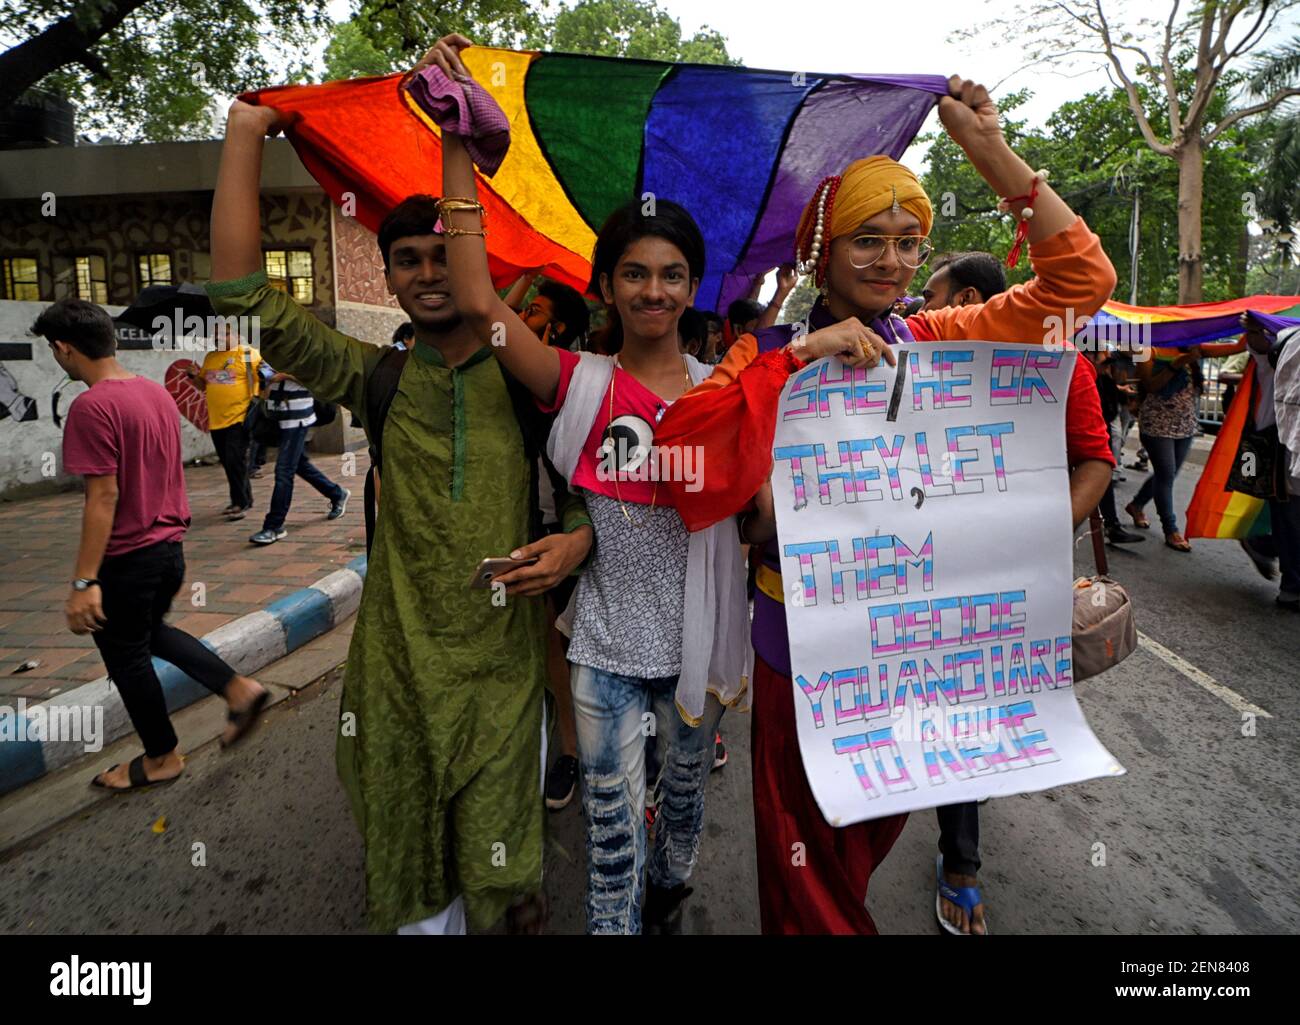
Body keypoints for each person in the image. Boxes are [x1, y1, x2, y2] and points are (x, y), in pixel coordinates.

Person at [655, 75, 1118, 934]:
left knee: (861, 840)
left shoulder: (936, 338)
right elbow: (680, 447)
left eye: (910, 243)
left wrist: (985, 148)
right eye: (869, 240)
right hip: (801, 651)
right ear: (823, 252)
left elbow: (1080, 280)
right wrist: (800, 360)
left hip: (916, 652)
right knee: (806, 864)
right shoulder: (770, 350)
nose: (893, 262)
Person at [208, 84, 594, 934]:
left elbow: (585, 494)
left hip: (503, 660)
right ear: (385, 274)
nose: (427, 273)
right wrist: (244, 134)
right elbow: (241, 293)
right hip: (398, 662)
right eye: (407, 259)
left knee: (497, 845)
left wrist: (572, 542)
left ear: (477, 266)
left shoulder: (531, 372)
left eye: (440, 254)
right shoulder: (372, 372)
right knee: (410, 841)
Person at [427, 33, 750, 934]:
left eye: (672, 274)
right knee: (613, 837)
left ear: (692, 288)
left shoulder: (731, 392)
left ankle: (670, 904)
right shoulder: (575, 382)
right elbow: (480, 301)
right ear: (607, 285)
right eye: (636, 273)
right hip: (602, 653)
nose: (654, 289)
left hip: (695, 655)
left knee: (680, 819)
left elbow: (757, 513)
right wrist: (456, 129)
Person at [918, 250, 1116, 934]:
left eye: (932, 294)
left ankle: (961, 862)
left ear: (968, 297)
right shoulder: (919, 359)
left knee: (971, 701)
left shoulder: (1062, 363)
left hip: (1008, 574)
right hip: (927, 566)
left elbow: (1096, 459)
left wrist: (1037, 532)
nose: (921, 307)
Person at [31, 299, 269, 790]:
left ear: (63, 348)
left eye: (55, 352)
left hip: (127, 558)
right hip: (169, 551)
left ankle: (162, 757)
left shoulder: (91, 406)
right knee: (148, 633)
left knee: (127, 657)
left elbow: (103, 498)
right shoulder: (155, 394)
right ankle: (240, 690)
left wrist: (84, 581)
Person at [1125, 338, 1244, 551]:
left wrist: (1251, 319)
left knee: (1167, 475)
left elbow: (1238, 347)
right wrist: (1177, 363)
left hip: (1185, 426)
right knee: (1166, 475)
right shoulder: (1148, 350)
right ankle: (1170, 529)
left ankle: (1136, 504)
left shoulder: (1194, 349)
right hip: (1156, 424)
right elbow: (1151, 385)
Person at [1236, 318, 1300, 611]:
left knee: (1289, 517)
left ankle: (1264, 544)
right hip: (1282, 449)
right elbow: (1259, 345)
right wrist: (1254, 325)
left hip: (1284, 449)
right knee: (1289, 516)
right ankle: (1292, 585)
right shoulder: (1286, 342)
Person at [248, 370, 350, 545]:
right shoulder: (271, 352)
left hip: (297, 417)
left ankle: (274, 526)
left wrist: (285, 376)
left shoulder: (301, 350)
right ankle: (336, 493)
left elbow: (317, 378)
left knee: (283, 471)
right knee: (300, 465)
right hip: (276, 415)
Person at [185, 328, 262, 519]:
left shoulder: (248, 354)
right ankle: (245, 499)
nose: (219, 337)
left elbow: (265, 381)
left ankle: (240, 502)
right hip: (216, 420)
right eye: (216, 334)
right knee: (228, 462)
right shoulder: (211, 357)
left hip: (240, 417)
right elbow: (204, 385)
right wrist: (194, 376)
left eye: (226, 333)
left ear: (238, 335)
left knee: (235, 459)